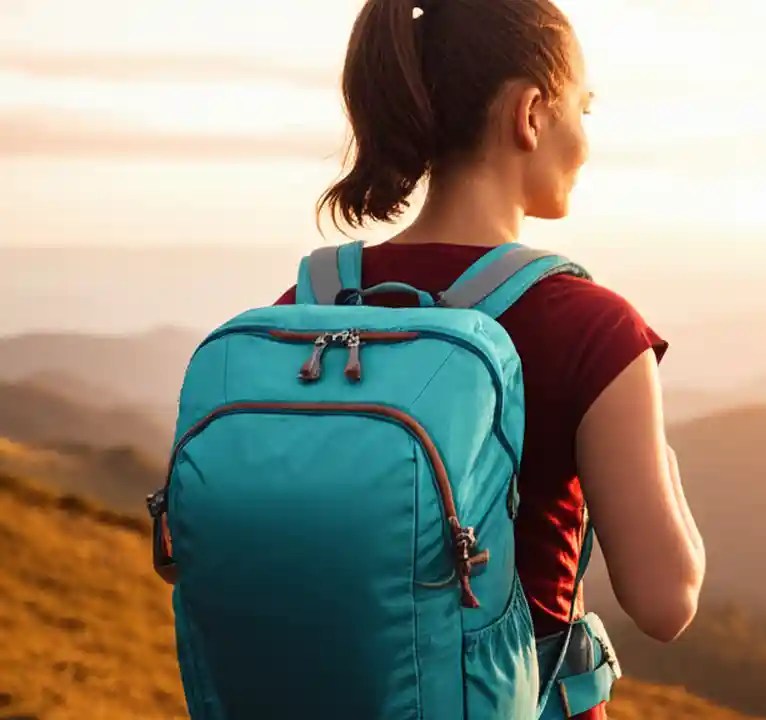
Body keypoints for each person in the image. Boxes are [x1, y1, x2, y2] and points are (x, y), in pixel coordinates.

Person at [273, 1, 706, 716]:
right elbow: (667, 602)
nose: (586, 141)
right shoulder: (592, 327)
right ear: (531, 114)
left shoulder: (307, 304)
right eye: (583, 110)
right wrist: (653, 448)